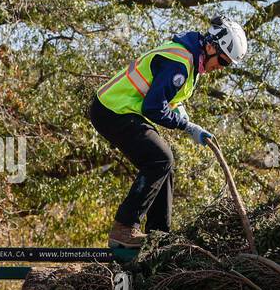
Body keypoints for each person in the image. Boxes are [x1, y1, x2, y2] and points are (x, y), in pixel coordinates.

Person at [90, 16, 248, 249]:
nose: (220, 68)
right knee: (160, 159)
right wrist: (186, 126)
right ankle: (124, 228)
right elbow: (153, 107)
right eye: (223, 62)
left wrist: (181, 112)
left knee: (165, 164)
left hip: (119, 110)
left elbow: (164, 93)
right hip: (112, 111)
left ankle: (159, 236)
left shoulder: (188, 58)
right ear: (212, 46)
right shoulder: (181, 63)